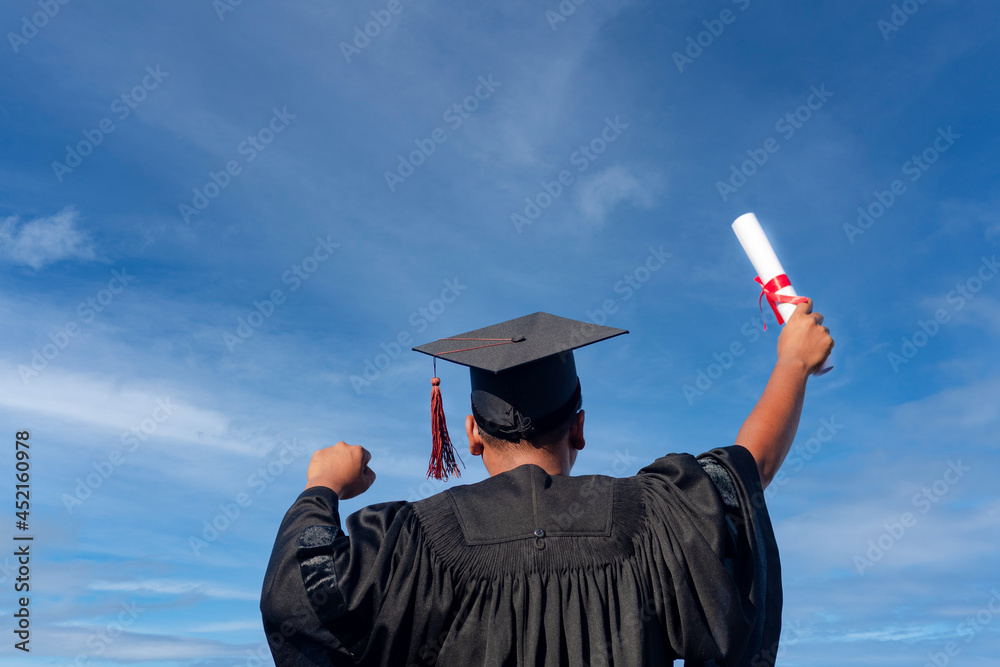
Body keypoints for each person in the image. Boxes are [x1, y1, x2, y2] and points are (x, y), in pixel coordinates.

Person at [260, 306, 833, 666]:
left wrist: (322, 488)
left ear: (472, 434)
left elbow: (300, 600)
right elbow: (746, 471)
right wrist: (792, 364)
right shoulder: (657, 519)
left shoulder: (408, 542)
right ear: (579, 427)